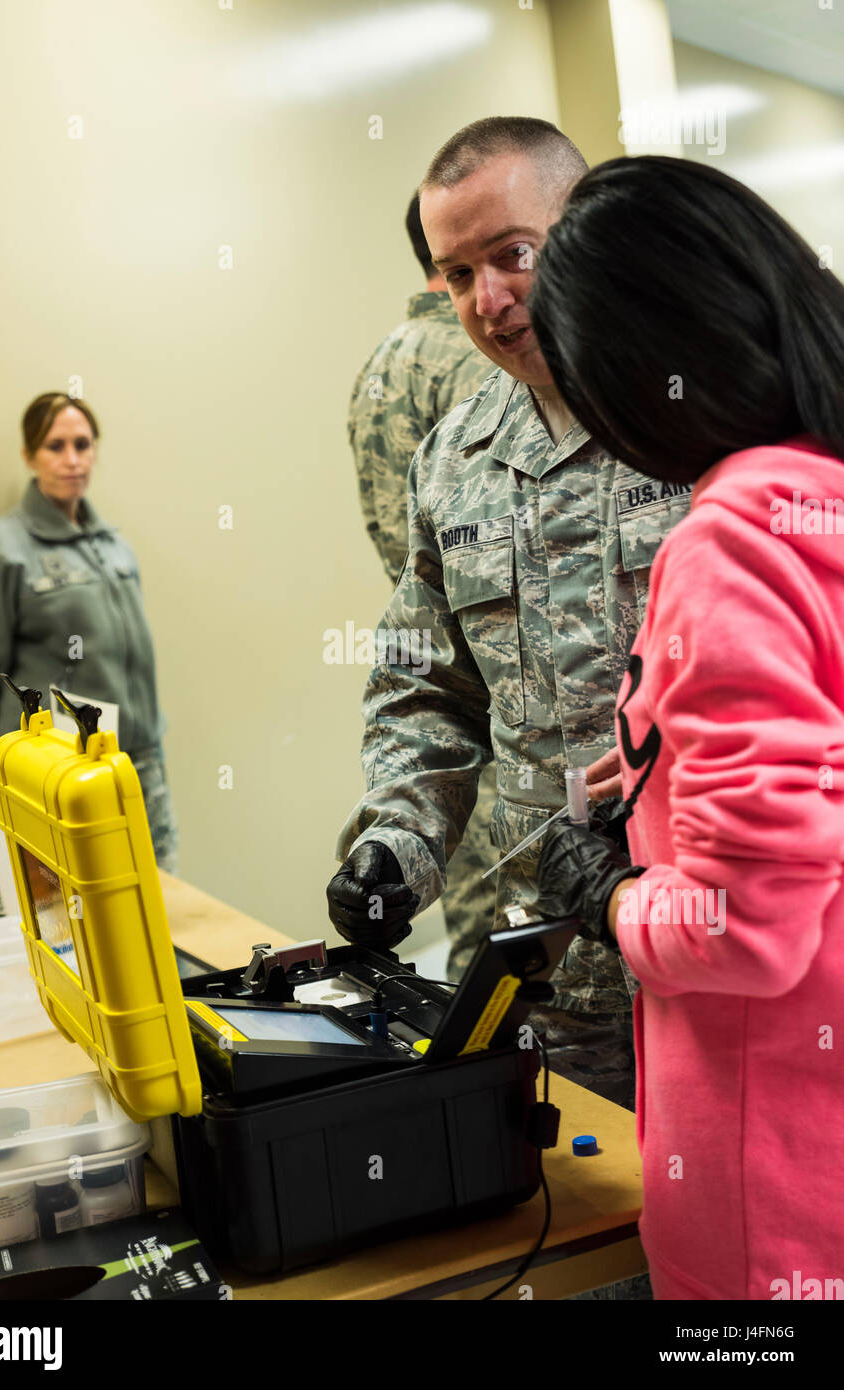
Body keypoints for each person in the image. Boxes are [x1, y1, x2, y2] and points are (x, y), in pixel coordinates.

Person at [327, 117, 691, 1111]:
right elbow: (423, 682)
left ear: (583, 227)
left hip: (718, 944)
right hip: (548, 964)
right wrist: (396, 844)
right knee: (578, 1245)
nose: (487, 301)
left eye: (512, 255)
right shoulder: (454, 457)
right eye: (455, 274)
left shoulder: (704, 407)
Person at [531, 155, 844, 1300]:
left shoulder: (732, 541)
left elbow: (749, 928)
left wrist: (609, 896)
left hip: (778, 1194)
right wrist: (667, 775)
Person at [348, 191, 496, 978]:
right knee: (510, 923)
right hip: (497, 679)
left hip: (441, 645)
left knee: (476, 925)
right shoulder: (480, 363)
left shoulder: (380, 364)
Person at [0, 392, 178, 872]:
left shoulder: (113, 544)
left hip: (137, 762)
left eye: (82, 444)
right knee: (78, 919)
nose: (71, 460)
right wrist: (3, 774)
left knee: (159, 905)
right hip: (63, 773)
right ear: (29, 455)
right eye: (55, 446)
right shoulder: (0, 549)